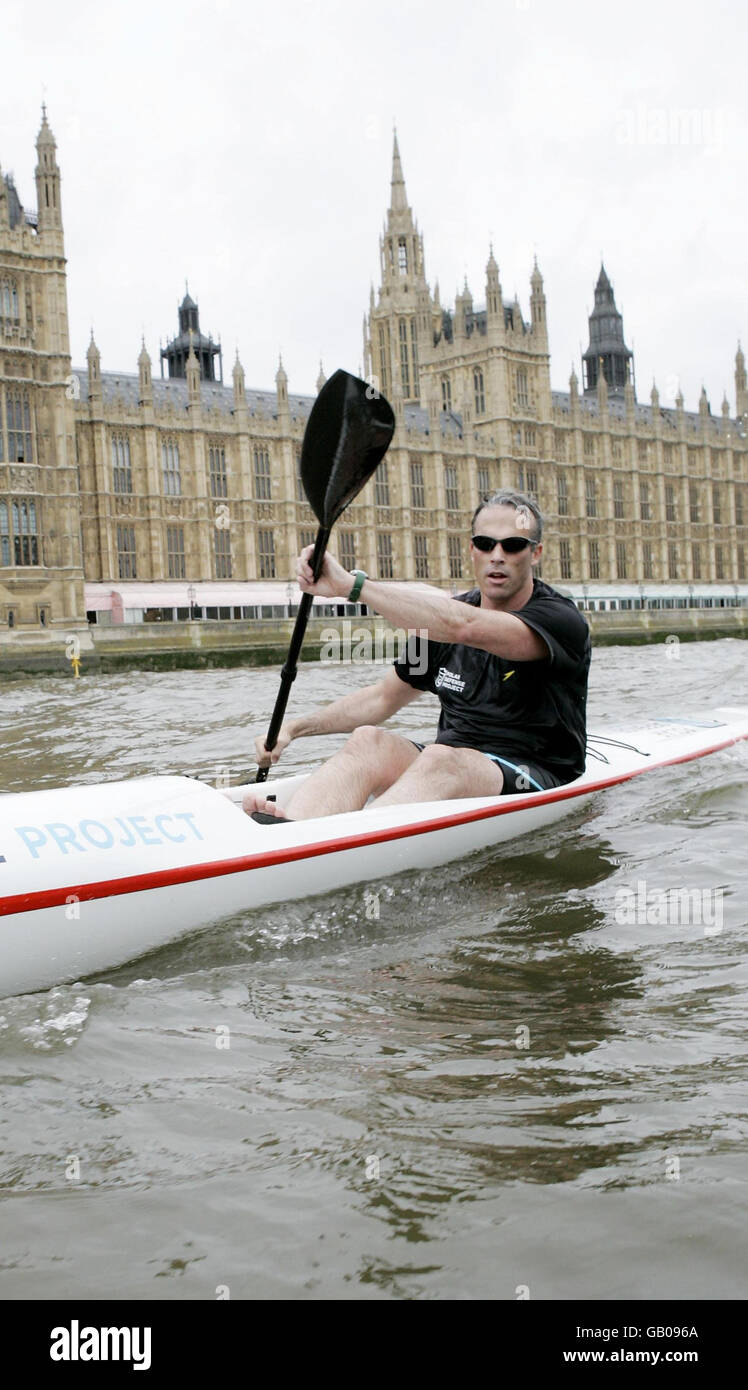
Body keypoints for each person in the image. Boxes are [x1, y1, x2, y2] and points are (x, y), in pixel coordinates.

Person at [241, 489, 591, 823]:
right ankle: (297, 828)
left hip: (535, 771)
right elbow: (381, 698)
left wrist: (352, 587)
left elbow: (464, 626)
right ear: (472, 550)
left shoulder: (559, 620)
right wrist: (293, 729)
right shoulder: (444, 622)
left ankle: (351, 842)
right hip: (452, 766)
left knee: (441, 759)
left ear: (536, 553)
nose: (497, 555)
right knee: (369, 740)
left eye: (513, 545)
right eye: (486, 544)